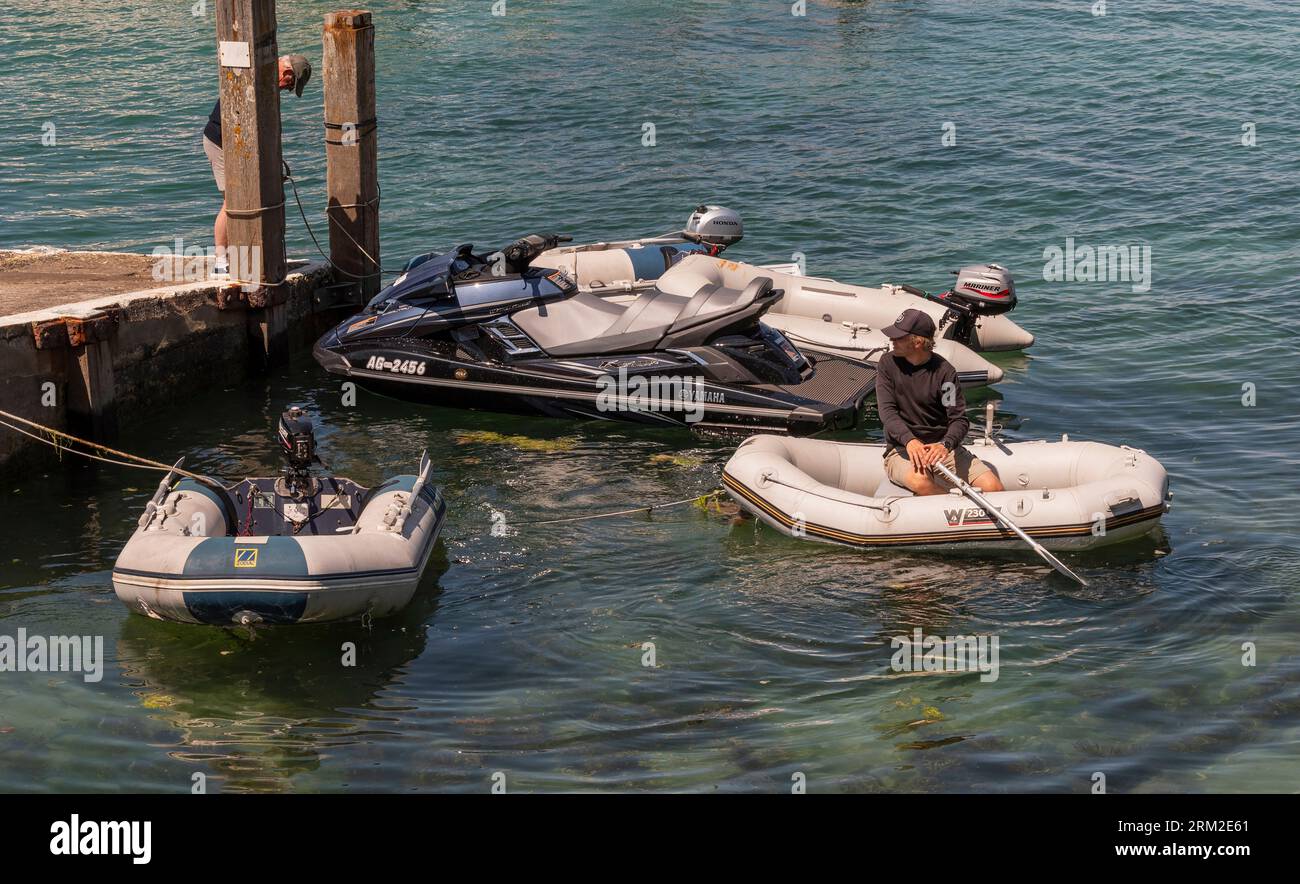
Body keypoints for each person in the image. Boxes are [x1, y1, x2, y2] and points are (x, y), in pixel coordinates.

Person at [202, 54, 311, 277]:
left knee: (249, 197)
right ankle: (221, 261)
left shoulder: (265, 82)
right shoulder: (257, 77)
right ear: (287, 73)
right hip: (220, 142)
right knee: (231, 201)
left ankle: (243, 253)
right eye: (289, 84)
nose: (286, 89)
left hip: (238, 145)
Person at [875, 308, 1005, 496]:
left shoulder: (945, 373)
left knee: (993, 487)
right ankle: (950, 512)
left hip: (942, 449)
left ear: (917, 342)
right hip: (902, 448)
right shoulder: (888, 364)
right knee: (921, 482)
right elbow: (887, 412)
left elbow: (958, 420)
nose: (892, 340)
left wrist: (945, 445)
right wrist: (910, 441)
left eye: (898, 337)